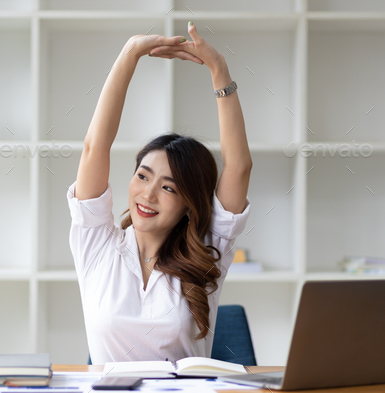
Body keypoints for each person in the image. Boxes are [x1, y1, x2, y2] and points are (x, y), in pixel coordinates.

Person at [66, 21, 252, 365]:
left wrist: (219, 71)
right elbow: (95, 147)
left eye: (168, 187)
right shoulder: (96, 244)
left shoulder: (209, 250)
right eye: (142, 176)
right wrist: (130, 54)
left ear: (188, 205)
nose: (147, 194)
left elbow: (238, 168)